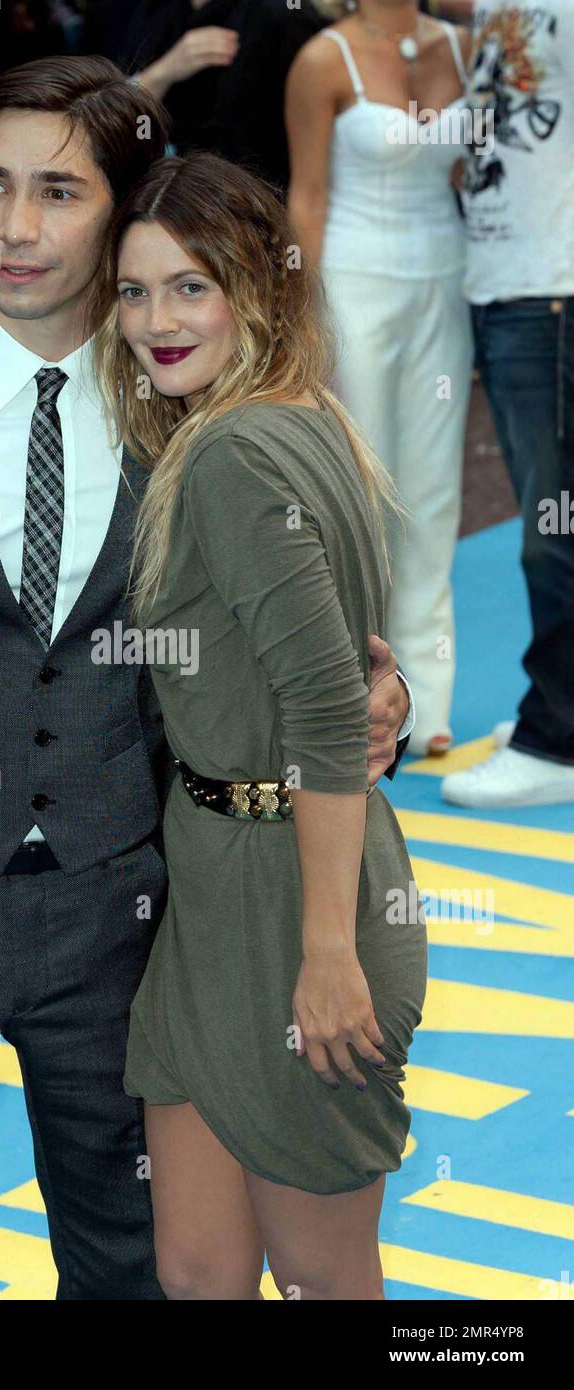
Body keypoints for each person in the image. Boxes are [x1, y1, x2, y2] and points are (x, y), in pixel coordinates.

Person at [0, 55, 413, 1301]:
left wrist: (379, 700)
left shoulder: (188, 404)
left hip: (130, 920)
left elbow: (295, 647)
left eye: (58, 192)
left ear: (123, 208)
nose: (13, 227)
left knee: (134, 1266)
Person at [85, 148, 427, 1301]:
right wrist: (387, 696)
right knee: (198, 1271)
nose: (154, 321)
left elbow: (332, 702)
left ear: (255, 289)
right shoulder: (292, 415)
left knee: (325, 1280)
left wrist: (327, 955)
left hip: (296, 902)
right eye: (134, 291)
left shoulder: (232, 452)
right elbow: (349, 667)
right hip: (215, 891)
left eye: (191, 286)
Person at [287, 0, 474, 756]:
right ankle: (357, 693)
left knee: (434, 492)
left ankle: (427, 701)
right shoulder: (322, 58)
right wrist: (301, 322)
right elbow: (308, 195)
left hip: (449, 283)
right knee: (365, 489)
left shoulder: (468, 50)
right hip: (354, 289)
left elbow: (479, 169)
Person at [441, 0, 574, 808]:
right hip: (509, 292)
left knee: (553, 532)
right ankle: (559, 705)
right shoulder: (499, 10)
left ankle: (557, 739)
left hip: (549, 295)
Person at [84, 0, 326, 194]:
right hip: (148, 198)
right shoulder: (126, 11)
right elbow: (91, 118)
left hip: (245, 207)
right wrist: (162, 73)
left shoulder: (283, 17)